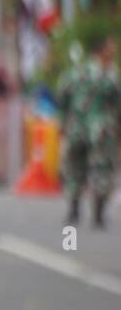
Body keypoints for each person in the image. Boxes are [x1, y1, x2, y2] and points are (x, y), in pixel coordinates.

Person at [56, 37, 119, 229]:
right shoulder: (108, 76)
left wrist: (65, 120)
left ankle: (74, 209)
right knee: (101, 168)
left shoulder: (75, 73)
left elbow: (62, 95)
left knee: (75, 168)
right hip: (99, 129)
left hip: (76, 128)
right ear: (101, 52)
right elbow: (117, 102)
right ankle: (98, 213)